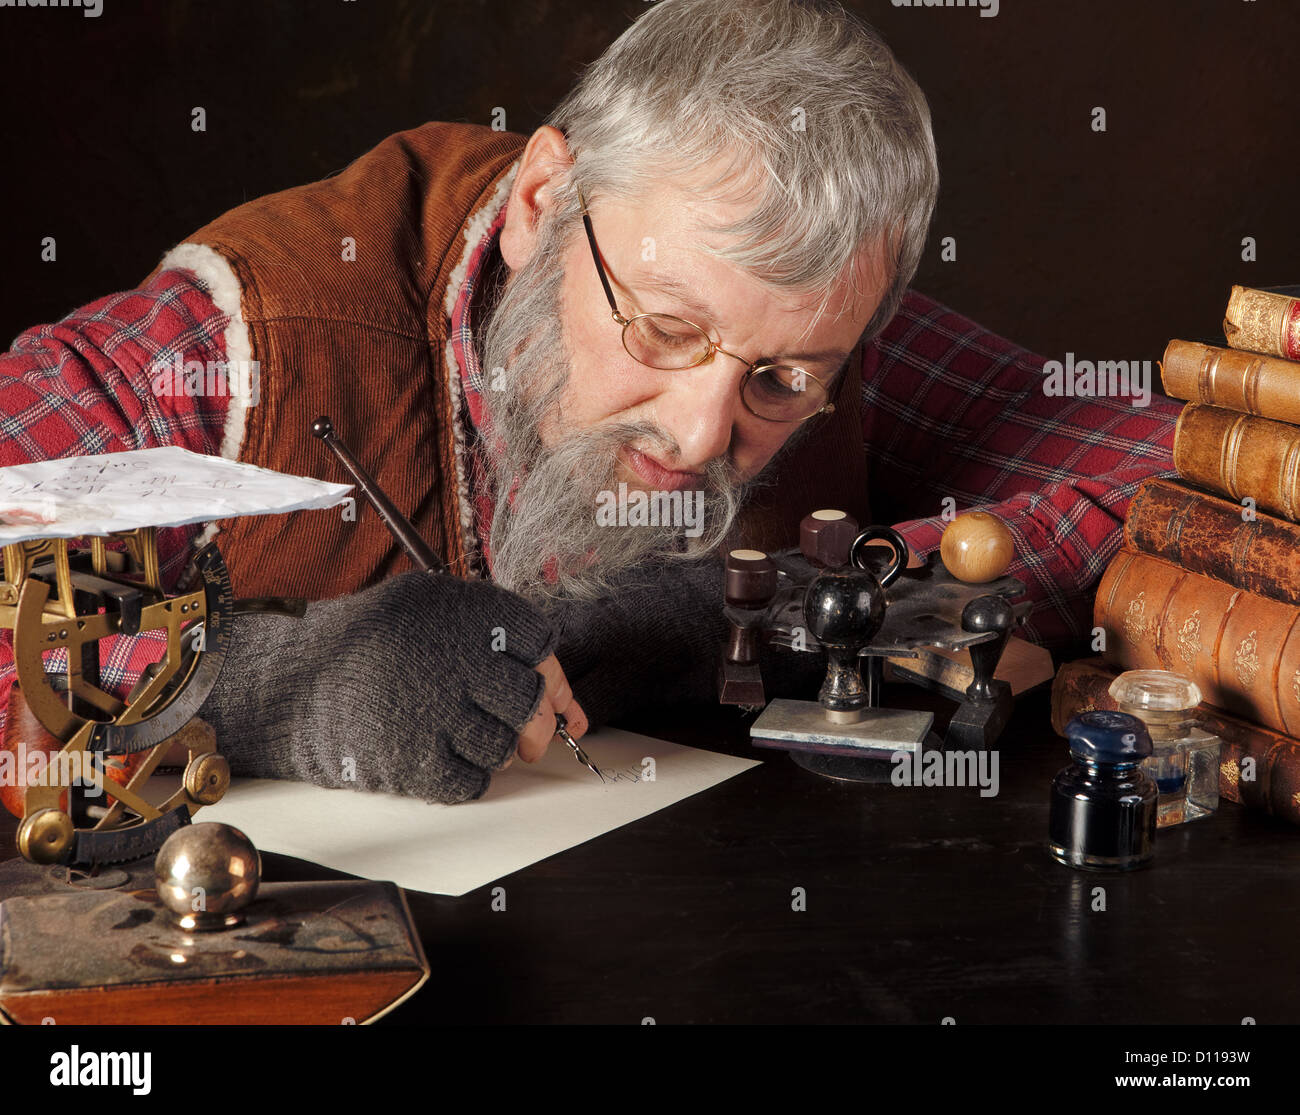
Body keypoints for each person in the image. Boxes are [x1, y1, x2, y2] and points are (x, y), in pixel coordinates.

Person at [0, 0, 1179, 804]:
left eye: (777, 381)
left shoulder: (805, 320)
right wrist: (276, 685)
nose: (703, 432)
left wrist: (770, 608)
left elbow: (1168, 473)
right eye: (663, 330)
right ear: (543, 199)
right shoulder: (245, 342)